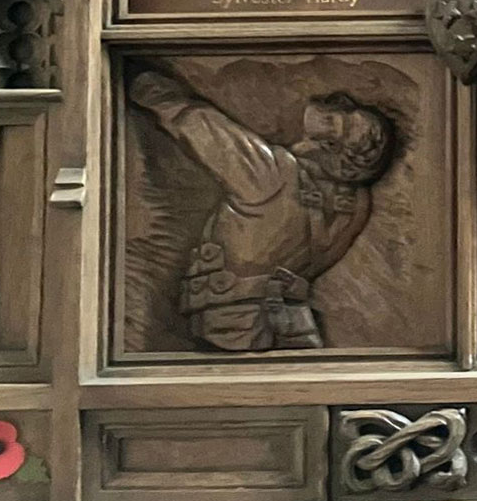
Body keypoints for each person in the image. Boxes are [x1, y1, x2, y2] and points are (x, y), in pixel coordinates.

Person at [129, 67, 396, 352]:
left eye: (333, 120)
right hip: (296, 320)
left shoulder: (272, 175)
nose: (331, 108)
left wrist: (150, 89)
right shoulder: (355, 204)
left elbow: (208, 131)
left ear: (330, 147)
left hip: (234, 321)